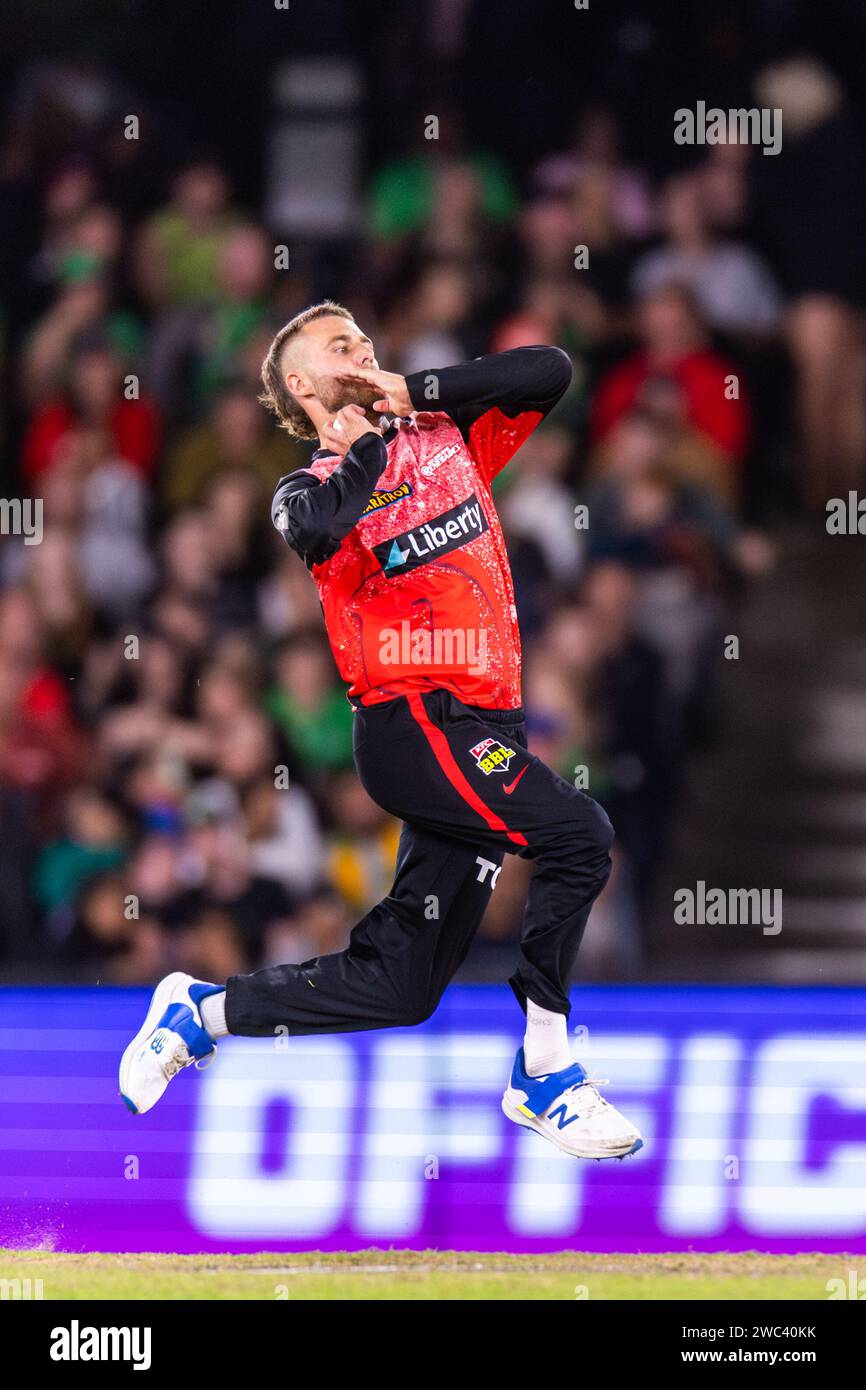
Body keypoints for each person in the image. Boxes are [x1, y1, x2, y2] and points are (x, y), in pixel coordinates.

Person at [119, 301, 642, 1161]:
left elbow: (548, 368)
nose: (360, 350)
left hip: (486, 724)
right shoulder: (305, 489)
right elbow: (321, 530)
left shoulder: (445, 435)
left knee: (401, 985)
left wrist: (412, 390)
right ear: (301, 383)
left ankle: (200, 1013)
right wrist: (363, 439)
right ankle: (546, 1071)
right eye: (338, 347)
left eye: (364, 338)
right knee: (581, 835)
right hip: (415, 726)